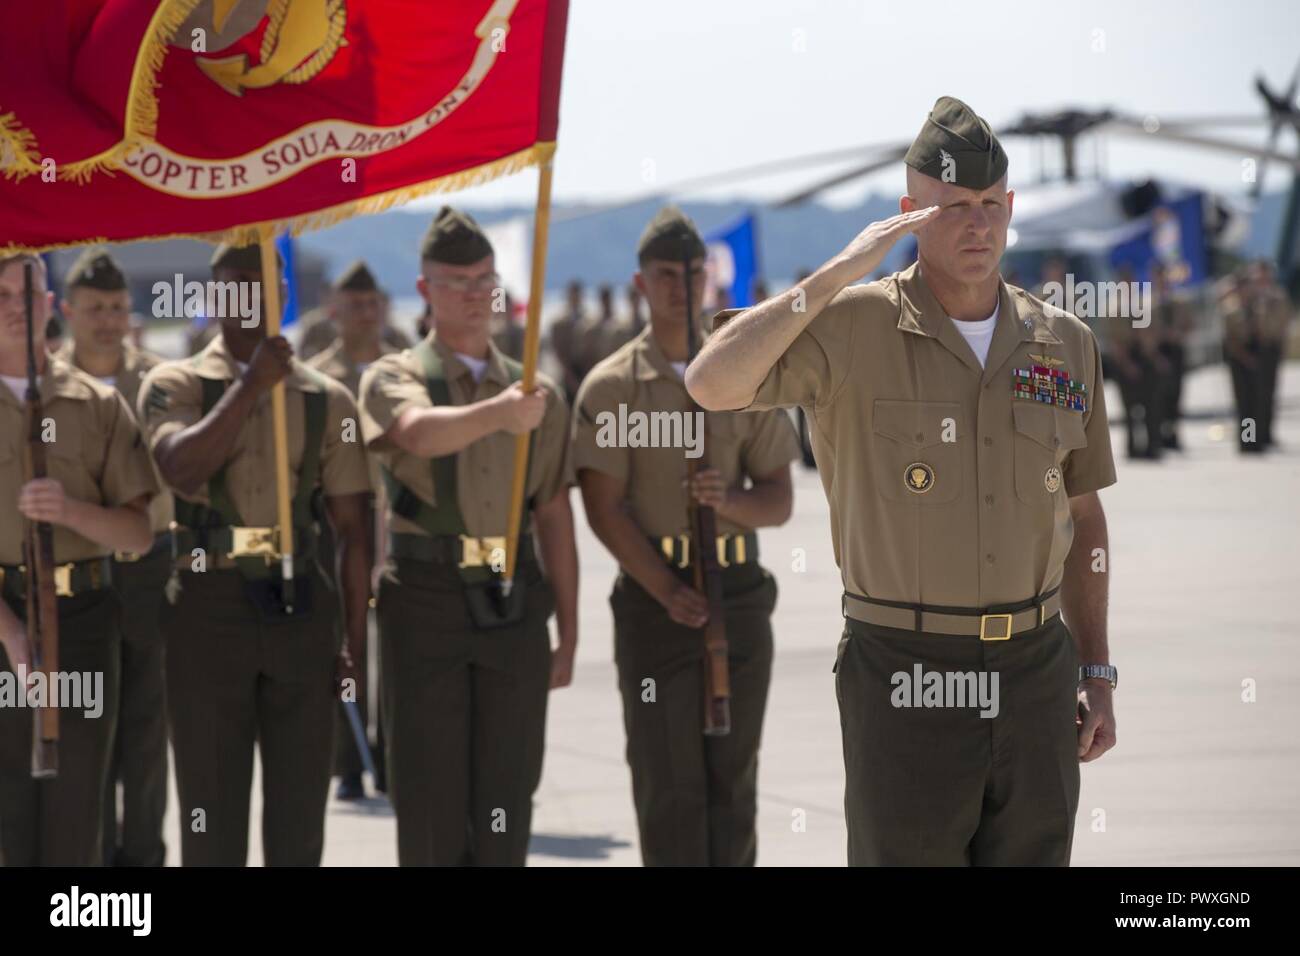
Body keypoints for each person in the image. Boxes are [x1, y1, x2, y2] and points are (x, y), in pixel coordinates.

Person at [686, 96, 1119, 866]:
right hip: (906, 670)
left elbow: (1083, 517)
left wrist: (1096, 667)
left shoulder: (1065, 342)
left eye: (990, 204)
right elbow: (711, 384)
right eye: (953, 207)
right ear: (910, 213)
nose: (977, 225)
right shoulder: (854, 328)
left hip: (1034, 671)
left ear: (1012, 206)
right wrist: (838, 272)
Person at [572, 207, 798, 866]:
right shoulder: (613, 387)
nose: (680, 286)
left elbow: (779, 500)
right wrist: (667, 589)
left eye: (692, 272)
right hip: (655, 602)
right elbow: (603, 507)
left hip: (739, 593)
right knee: (668, 783)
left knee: (735, 781)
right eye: (665, 274)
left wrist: (729, 501)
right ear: (640, 283)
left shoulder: (744, 373)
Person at [137, 242, 373, 866]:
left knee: (299, 821)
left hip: (300, 605)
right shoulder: (174, 383)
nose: (247, 296)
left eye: (261, 283)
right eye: (233, 283)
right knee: (210, 818)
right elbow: (179, 467)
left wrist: (353, 641)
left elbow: (354, 526)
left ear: (282, 294)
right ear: (213, 294)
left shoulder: (328, 399)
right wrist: (249, 386)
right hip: (208, 608)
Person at [358, 207, 578, 866]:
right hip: (425, 598)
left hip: (512, 599)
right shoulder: (394, 375)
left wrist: (568, 631)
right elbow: (417, 433)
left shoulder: (536, 394)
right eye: (457, 280)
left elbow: (553, 515)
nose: (476, 293)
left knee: (508, 796)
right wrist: (500, 414)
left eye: (486, 278)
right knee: (429, 799)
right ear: (424, 290)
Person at [0, 253, 158, 866]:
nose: (17, 307)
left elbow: (138, 533)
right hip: (4, 623)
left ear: (50, 303)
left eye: (29, 293)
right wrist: (11, 635)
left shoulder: (97, 404)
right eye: (3, 295)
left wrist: (69, 511)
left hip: (84, 620)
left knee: (78, 807)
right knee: (8, 816)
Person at [57, 248, 174, 867]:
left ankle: (145, 860)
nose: (107, 320)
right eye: (95, 308)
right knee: (84, 727)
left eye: (118, 307)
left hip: (149, 569)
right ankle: (92, 864)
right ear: (68, 312)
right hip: (77, 577)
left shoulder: (160, 383)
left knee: (147, 729)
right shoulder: (47, 385)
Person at [306, 259, 395, 801]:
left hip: (394, 522)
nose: (365, 315)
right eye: (354, 306)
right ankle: (347, 761)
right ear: (333, 312)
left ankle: (389, 755)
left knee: (394, 649)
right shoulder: (315, 379)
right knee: (346, 643)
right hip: (335, 528)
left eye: (372, 304)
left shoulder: (403, 371)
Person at [1108, 265, 1166, 460]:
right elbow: (1115, 342)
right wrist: (1127, 365)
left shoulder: (1144, 305)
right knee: (1129, 409)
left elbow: (1152, 335)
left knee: (1151, 406)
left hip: (1144, 357)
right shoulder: (1113, 308)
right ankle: (1133, 448)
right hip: (1126, 358)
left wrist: (1154, 358)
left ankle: (1152, 446)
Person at [1151, 262, 1193, 451]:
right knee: (1157, 395)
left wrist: (1179, 333)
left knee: (1176, 394)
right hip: (1156, 350)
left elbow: (1190, 324)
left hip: (1175, 350)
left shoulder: (1179, 301)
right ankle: (1159, 434)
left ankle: (1173, 434)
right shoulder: (1146, 302)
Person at [546, 279, 587, 403]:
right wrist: (570, 378)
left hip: (584, 373)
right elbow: (557, 350)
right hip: (565, 376)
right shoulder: (559, 324)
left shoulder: (589, 321)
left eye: (577, 295)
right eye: (572, 295)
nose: (575, 298)